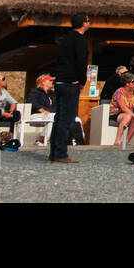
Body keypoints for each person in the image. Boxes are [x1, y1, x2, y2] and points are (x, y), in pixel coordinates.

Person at [50, 12, 90, 164]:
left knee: (59, 118)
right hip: (69, 83)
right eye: (88, 20)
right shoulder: (79, 40)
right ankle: (60, 153)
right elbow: (81, 62)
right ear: (83, 23)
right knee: (67, 119)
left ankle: (54, 152)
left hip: (60, 81)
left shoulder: (66, 39)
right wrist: (81, 80)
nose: (89, 22)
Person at [109, 73, 134, 148]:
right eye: (133, 81)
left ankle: (126, 140)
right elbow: (123, 108)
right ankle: (118, 140)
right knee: (128, 117)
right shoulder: (120, 92)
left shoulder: (133, 92)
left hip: (128, 113)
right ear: (127, 84)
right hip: (116, 114)